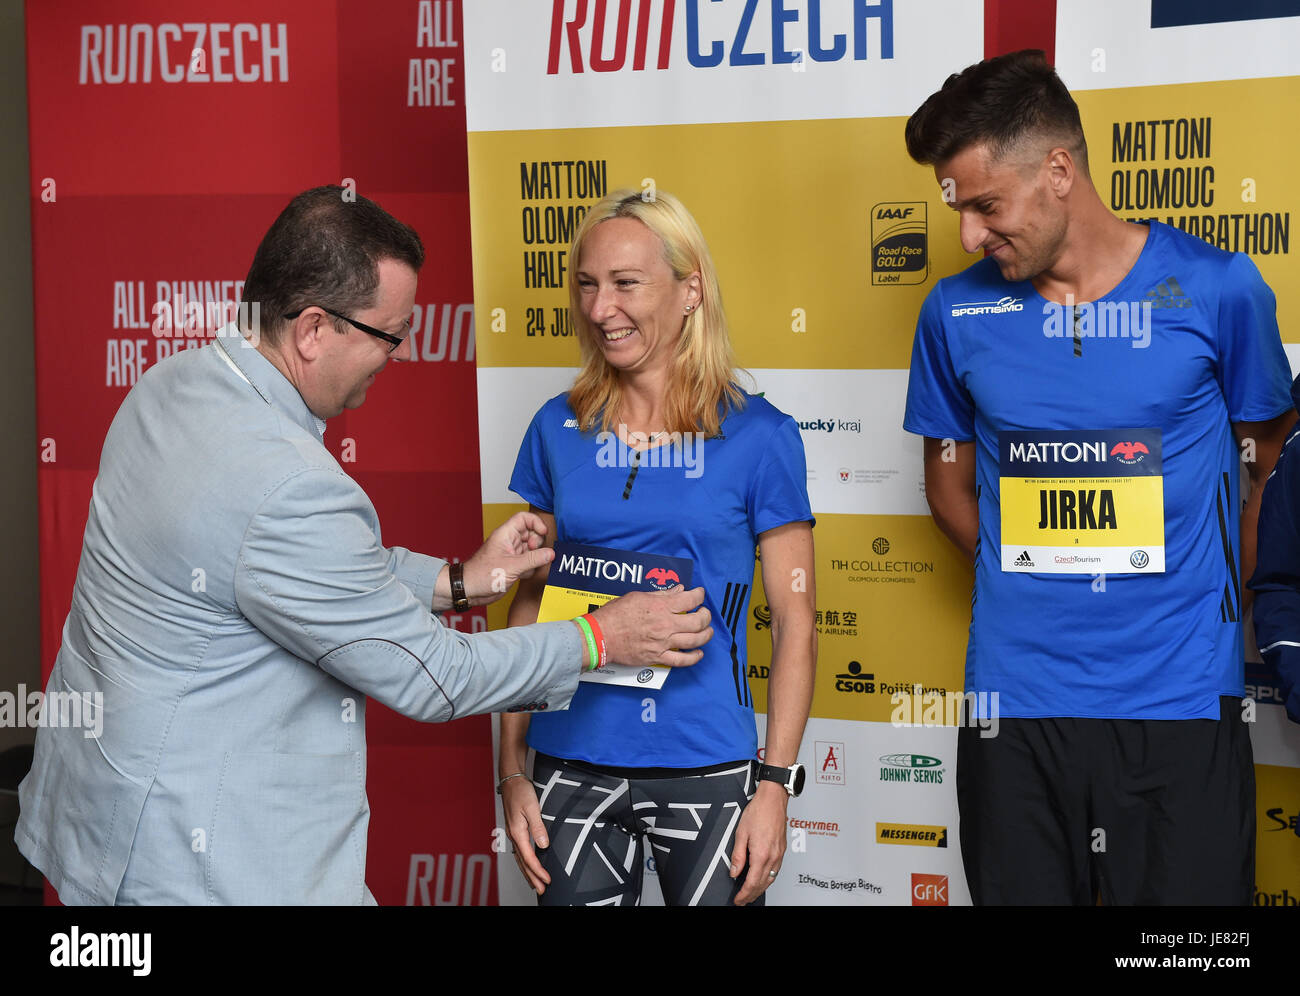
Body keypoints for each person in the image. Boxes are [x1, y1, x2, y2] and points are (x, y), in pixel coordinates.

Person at [16, 186, 712, 905]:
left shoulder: (170, 385)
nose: (399, 355)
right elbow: (436, 675)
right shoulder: (289, 483)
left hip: (100, 819)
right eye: (389, 334)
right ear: (314, 328)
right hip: (204, 860)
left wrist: (457, 583)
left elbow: (265, 568)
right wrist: (600, 638)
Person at [901, 51, 1294, 905]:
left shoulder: (1221, 290)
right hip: (1016, 705)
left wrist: (1219, 594)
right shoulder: (955, 313)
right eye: (959, 209)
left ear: (1058, 171)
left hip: (1182, 701)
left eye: (985, 206)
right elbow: (945, 482)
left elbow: (1269, 461)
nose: (969, 234)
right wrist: (1035, 564)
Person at [498, 189, 816, 906]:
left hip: (707, 765)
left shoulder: (761, 436)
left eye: (624, 284)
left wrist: (775, 786)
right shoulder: (556, 428)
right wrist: (512, 767)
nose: (599, 307)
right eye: (586, 283)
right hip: (569, 763)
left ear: (689, 289)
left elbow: (796, 620)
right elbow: (531, 602)